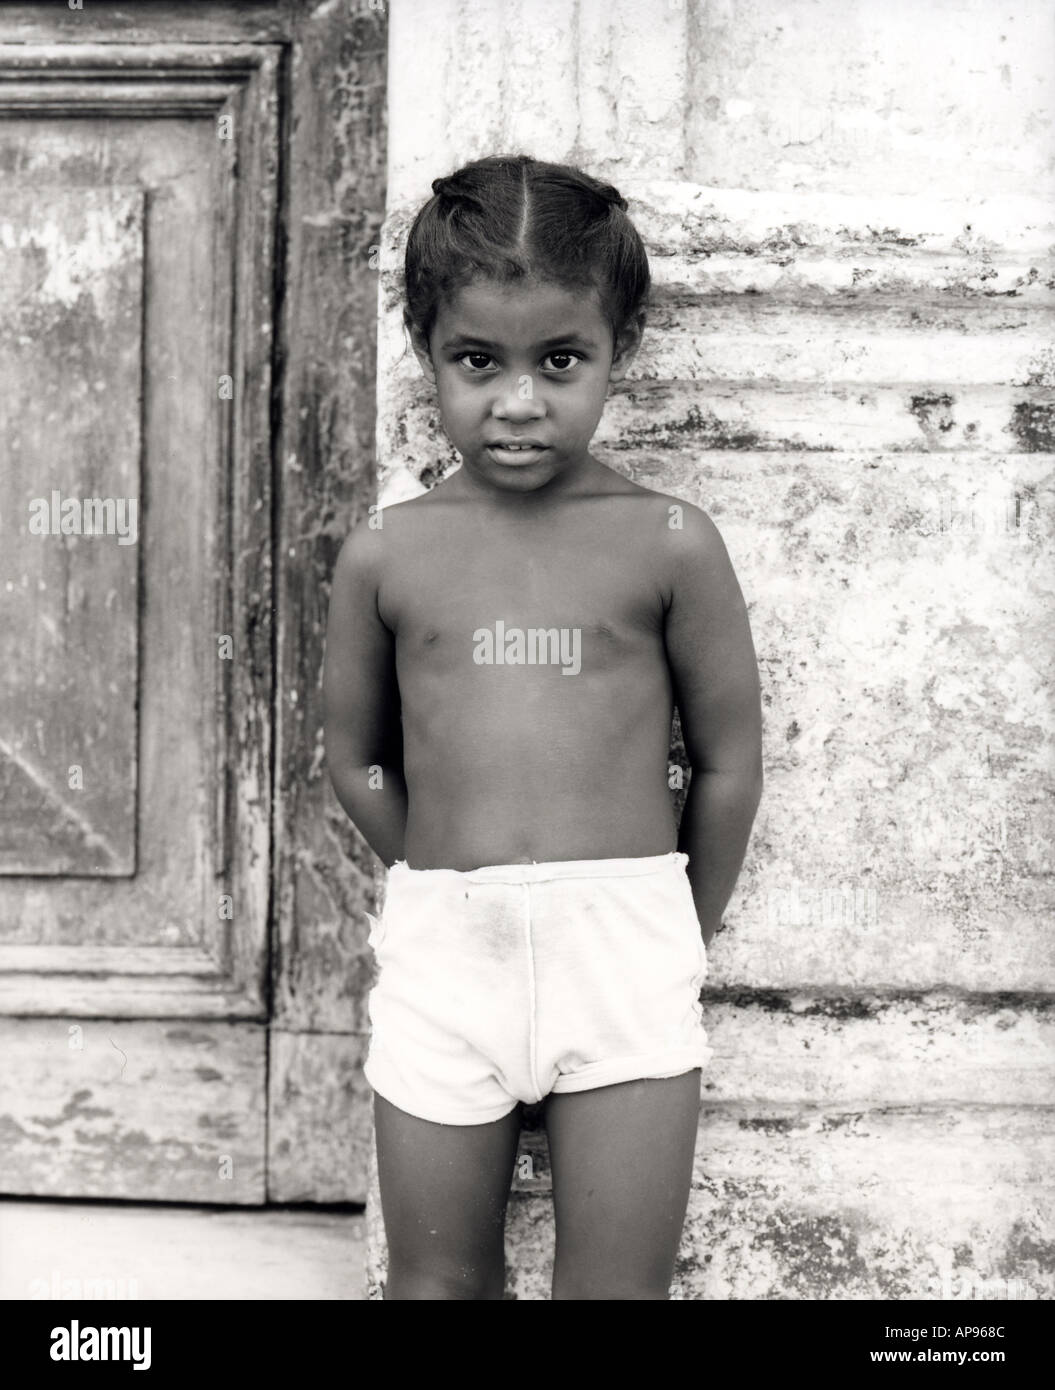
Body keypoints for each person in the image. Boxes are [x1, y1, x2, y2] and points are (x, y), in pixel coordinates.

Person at [323, 153, 763, 1300]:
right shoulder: (387, 551)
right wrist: (433, 870)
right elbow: (349, 750)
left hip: (623, 950)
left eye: (559, 360)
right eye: (478, 361)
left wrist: (677, 927)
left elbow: (725, 762)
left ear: (619, 349)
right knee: (433, 1288)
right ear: (427, 354)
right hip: (443, 957)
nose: (518, 400)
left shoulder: (666, 539)